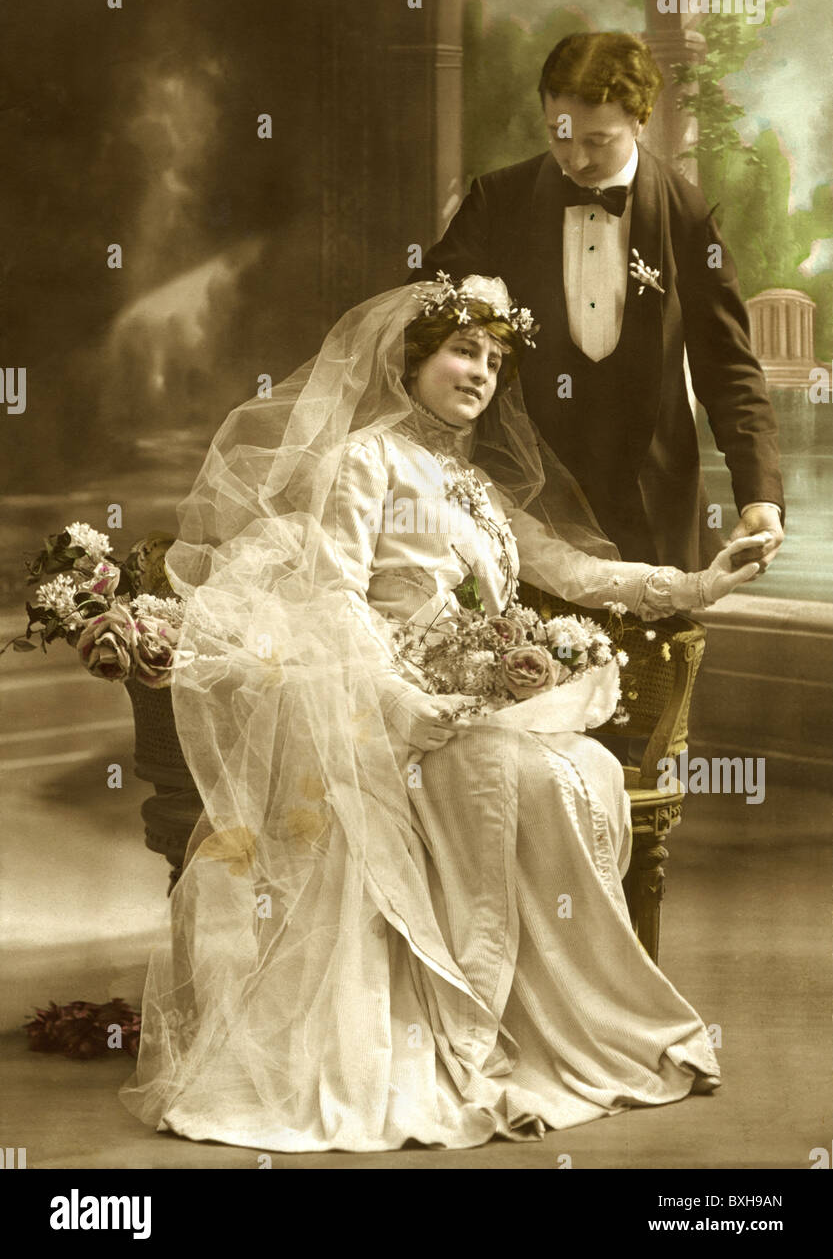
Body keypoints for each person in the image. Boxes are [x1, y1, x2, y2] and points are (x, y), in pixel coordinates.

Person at [118, 274, 769, 1153]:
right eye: (463, 352)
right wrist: (398, 696)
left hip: (466, 701)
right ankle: (463, 1026)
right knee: (523, 772)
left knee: (588, 768)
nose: (479, 373)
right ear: (411, 362)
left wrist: (694, 583)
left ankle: (548, 1023)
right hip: (376, 707)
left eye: (495, 362)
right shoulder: (367, 460)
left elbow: (571, 571)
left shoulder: (470, 482)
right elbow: (336, 595)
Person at [411, 32, 785, 573]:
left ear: (641, 119)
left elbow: (728, 367)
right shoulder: (499, 200)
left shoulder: (686, 213)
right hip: (520, 502)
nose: (575, 159)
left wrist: (760, 497)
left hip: (654, 508)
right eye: (559, 135)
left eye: (597, 139)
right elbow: (421, 318)